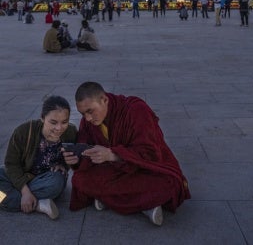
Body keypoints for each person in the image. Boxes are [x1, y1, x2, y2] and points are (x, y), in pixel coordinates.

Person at [63, 82, 191, 226]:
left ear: (104, 100)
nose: (87, 118)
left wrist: (112, 154)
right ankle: (145, 206)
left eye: (90, 111)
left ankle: (106, 199)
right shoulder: (87, 122)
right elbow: (85, 151)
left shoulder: (136, 110)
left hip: (145, 169)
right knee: (80, 179)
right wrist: (76, 160)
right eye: (82, 114)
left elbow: (151, 153)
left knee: (169, 184)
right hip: (114, 171)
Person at [0, 96, 77, 219]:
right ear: (42, 117)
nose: (59, 128)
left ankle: (15, 199)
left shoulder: (71, 132)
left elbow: (75, 157)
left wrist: (64, 165)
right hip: (21, 173)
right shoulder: (23, 131)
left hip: (45, 180)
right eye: (53, 122)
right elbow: (11, 164)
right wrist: (25, 191)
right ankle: (39, 204)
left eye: (64, 122)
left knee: (56, 183)